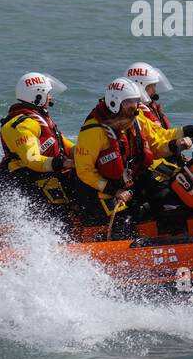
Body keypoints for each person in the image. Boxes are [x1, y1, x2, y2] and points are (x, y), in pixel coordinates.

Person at [73, 78, 180, 239]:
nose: (135, 106)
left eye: (136, 101)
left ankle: (173, 235)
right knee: (124, 228)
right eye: (129, 102)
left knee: (163, 195)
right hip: (99, 192)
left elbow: (157, 141)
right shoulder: (94, 131)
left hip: (125, 184)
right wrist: (115, 191)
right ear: (116, 103)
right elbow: (84, 171)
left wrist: (186, 136)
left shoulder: (135, 120)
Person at [0, 72, 76, 223]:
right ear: (38, 96)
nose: (50, 97)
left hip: (46, 175)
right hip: (25, 179)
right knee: (61, 214)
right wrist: (63, 163)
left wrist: (89, 153)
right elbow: (32, 159)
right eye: (48, 93)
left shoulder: (41, 120)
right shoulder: (23, 125)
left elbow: (66, 146)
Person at [124, 62, 193, 143]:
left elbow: (163, 135)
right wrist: (192, 130)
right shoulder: (136, 115)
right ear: (139, 86)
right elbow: (159, 139)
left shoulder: (149, 109)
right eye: (152, 86)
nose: (155, 90)